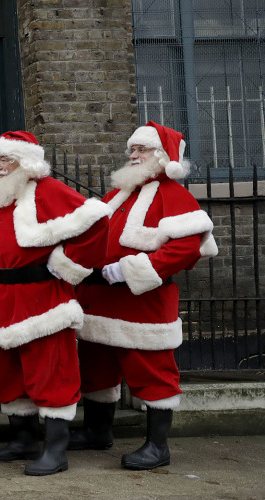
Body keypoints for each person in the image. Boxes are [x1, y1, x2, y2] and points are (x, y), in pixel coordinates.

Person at [72, 121, 217, 470]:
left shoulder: (173, 195)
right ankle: (97, 431)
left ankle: (158, 446)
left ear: (163, 155)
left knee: (151, 372)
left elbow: (186, 248)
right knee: (96, 368)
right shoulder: (122, 192)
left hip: (141, 304)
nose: (133, 155)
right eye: (132, 150)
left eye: (141, 149)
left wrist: (129, 270)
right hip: (100, 301)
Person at [0, 131, 109, 476]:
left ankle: (56, 450)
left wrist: (67, 264)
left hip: (42, 300)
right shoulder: (3, 195)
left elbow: (98, 221)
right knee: (12, 375)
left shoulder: (47, 189)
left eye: (6, 159)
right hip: (4, 301)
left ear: (26, 161)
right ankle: (23, 440)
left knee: (51, 373)